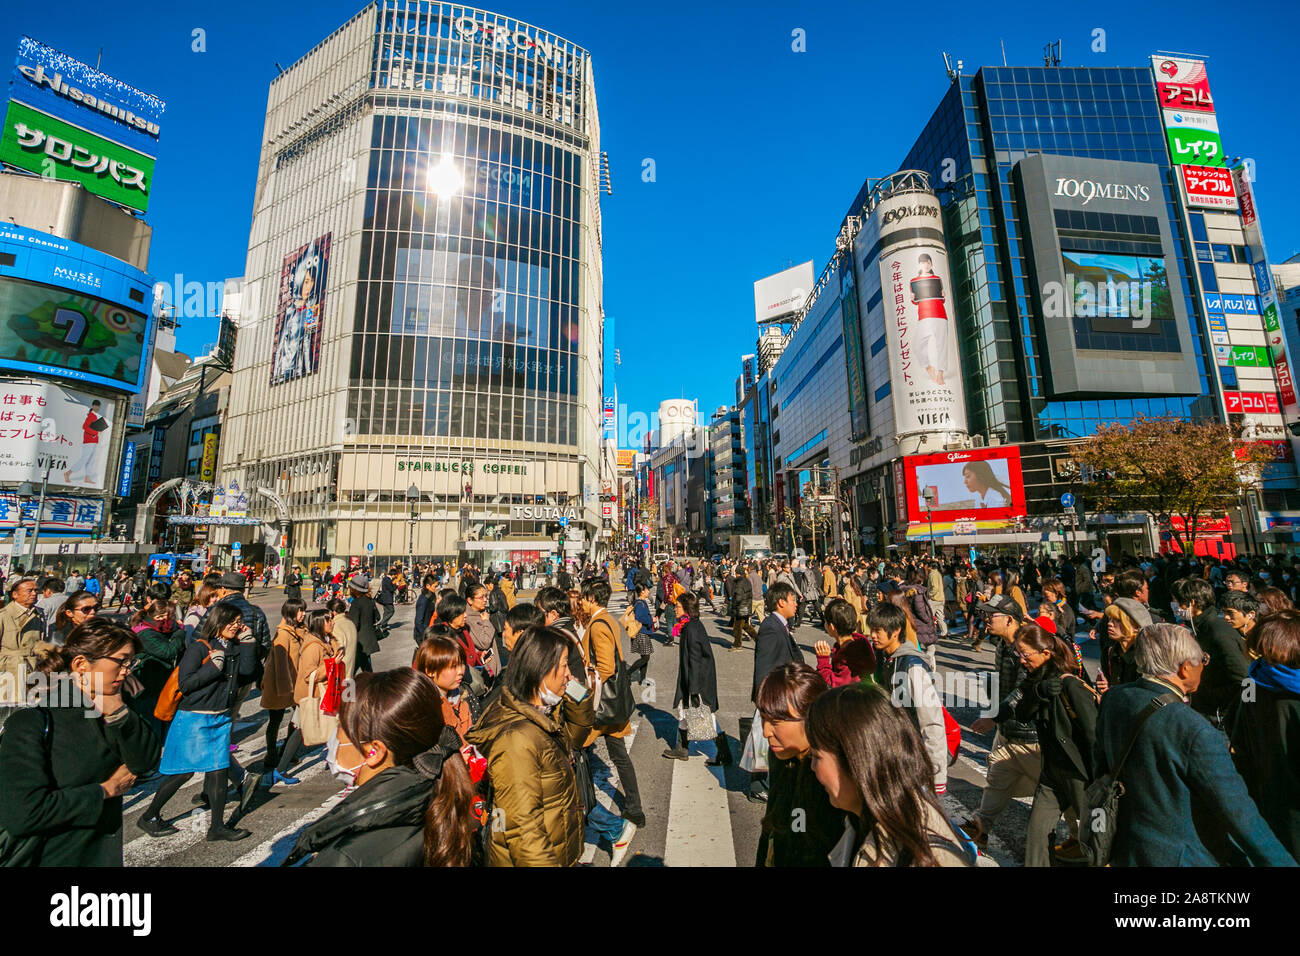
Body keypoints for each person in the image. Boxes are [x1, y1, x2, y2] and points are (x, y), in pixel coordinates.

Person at [1093, 622, 1295, 866]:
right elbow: (1239, 814)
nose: (1205, 666)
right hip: (1183, 856)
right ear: (1185, 669)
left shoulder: (1115, 697)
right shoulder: (1194, 728)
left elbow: (1101, 766)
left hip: (1129, 846)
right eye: (1203, 660)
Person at [0, 619, 162, 865]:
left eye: (131, 662)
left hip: (101, 854)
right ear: (81, 664)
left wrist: (119, 712)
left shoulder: (116, 707)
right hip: (51, 857)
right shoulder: (33, 722)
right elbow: (25, 814)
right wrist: (106, 791)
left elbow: (145, 762)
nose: (127, 670)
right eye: (121, 661)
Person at [285, 668, 478, 866]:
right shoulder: (443, 800)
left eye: (341, 726)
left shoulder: (345, 857)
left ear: (374, 751)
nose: (333, 739)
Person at [464, 626, 596, 866]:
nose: (568, 673)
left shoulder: (542, 712)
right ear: (541, 670)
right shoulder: (517, 739)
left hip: (558, 846)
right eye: (564, 665)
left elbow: (575, 739)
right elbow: (523, 831)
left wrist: (576, 691)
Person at [807, 683, 975, 866]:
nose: (812, 767)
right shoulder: (863, 821)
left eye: (816, 756)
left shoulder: (922, 856)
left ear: (856, 760)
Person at [136, 602, 259, 842]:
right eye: (231, 622)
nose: (236, 626)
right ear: (218, 622)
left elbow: (247, 672)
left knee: (218, 771)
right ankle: (149, 815)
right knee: (182, 772)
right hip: (195, 717)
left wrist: (248, 642)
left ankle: (217, 827)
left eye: (238, 622)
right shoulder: (199, 648)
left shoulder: (232, 645)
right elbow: (186, 684)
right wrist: (213, 667)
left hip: (220, 716)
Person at [1011, 621, 1097, 866]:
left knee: (1097, 838)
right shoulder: (1035, 680)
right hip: (1052, 772)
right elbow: (1023, 714)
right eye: (1019, 654)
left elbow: (1093, 734)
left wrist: (1100, 777)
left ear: (1045, 653)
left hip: (1079, 773)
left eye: (1025, 655)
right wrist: (1039, 693)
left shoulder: (1070, 683)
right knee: (1037, 833)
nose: (1021, 660)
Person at [959, 596, 1038, 849]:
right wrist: (994, 714)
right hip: (1008, 727)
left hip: (1032, 733)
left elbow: (1023, 690)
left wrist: (994, 717)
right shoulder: (1003, 645)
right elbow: (999, 685)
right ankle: (980, 826)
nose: (986, 619)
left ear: (1010, 619)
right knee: (997, 777)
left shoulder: (1025, 645)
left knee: (1057, 789)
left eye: (991, 615)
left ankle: (1081, 837)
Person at [755, 662, 844, 866]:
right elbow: (775, 825)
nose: (766, 732)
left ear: (811, 715)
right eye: (762, 719)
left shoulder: (836, 777)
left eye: (776, 722)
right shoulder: (783, 757)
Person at [579, 579, 646, 853]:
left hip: (601, 706)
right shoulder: (605, 620)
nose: (582, 602)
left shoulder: (597, 625)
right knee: (619, 755)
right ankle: (634, 808)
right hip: (613, 705)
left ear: (593, 598)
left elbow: (605, 667)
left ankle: (587, 808)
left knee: (578, 749)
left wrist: (582, 688)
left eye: (584, 597)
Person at [1229, 609, 1300, 860]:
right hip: (1276, 795)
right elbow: (1241, 725)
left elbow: (1239, 732)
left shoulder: (1255, 678)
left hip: (1271, 794)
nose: (1263, 659)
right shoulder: (1255, 681)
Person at [867, 601, 947, 795]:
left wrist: (938, 777)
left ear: (896, 631)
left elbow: (932, 722)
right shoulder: (885, 658)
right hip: (893, 751)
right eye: (872, 630)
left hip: (912, 757)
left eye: (877, 631)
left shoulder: (913, 667)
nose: (872, 636)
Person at [1171, 577, 1251, 731]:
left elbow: (1245, 678)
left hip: (1222, 716)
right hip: (1208, 710)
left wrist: (1247, 713)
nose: (1174, 605)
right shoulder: (1198, 628)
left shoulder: (1217, 631)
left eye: (1176, 600)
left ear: (1191, 602)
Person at [662, 590, 725, 765]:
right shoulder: (691, 625)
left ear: (686, 608)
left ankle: (723, 753)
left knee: (706, 715)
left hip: (697, 680)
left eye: (678, 606)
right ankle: (682, 748)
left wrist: (694, 688)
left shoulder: (691, 629)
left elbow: (696, 659)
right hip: (693, 678)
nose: (675, 609)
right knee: (684, 713)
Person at [128, 583, 185, 732]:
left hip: (158, 683)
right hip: (147, 684)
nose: (164, 621)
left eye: (168, 618)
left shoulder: (158, 629)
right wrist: (179, 633)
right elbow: (167, 652)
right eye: (160, 617)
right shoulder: (146, 632)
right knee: (150, 724)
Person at [261, 599, 307, 779]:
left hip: (295, 682)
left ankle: (288, 748)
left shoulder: (301, 630)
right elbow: (280, 664)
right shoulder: (284, 634)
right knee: (275, 719)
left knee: (297, 720)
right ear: (290, 613)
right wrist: (286, 688)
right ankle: (271, 754)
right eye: (299, 611)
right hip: (281, 683)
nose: (303, 614)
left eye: (303, 610)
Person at [414, 635, 481, 745]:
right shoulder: (426, 710)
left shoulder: (463, 696)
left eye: (462, 664)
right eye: (453, 667)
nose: (460, 671)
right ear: (430, 671)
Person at [813, 597, 876, 688]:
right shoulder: (859, 642)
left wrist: (823, 661)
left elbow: (834, 684)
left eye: (826, 622)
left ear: (831, 626)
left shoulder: (850, 653)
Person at [347, 572, 381, 673]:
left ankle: (371, 685)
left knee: (360, 669)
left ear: (355, 589)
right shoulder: (369, 600)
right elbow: (377, 617)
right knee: (365, 667)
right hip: (368, 640)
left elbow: (354, 624)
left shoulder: (356, 603)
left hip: (359, 642)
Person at [728, 565, 757, 650]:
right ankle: (759, 640)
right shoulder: (747, 581)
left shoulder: (739, 583)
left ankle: (737, 645)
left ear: (737, 573)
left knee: (737, 627)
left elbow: (738, 597)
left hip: (740, 607)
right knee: (746, 626)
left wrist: (733, 606)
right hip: (746, 606)